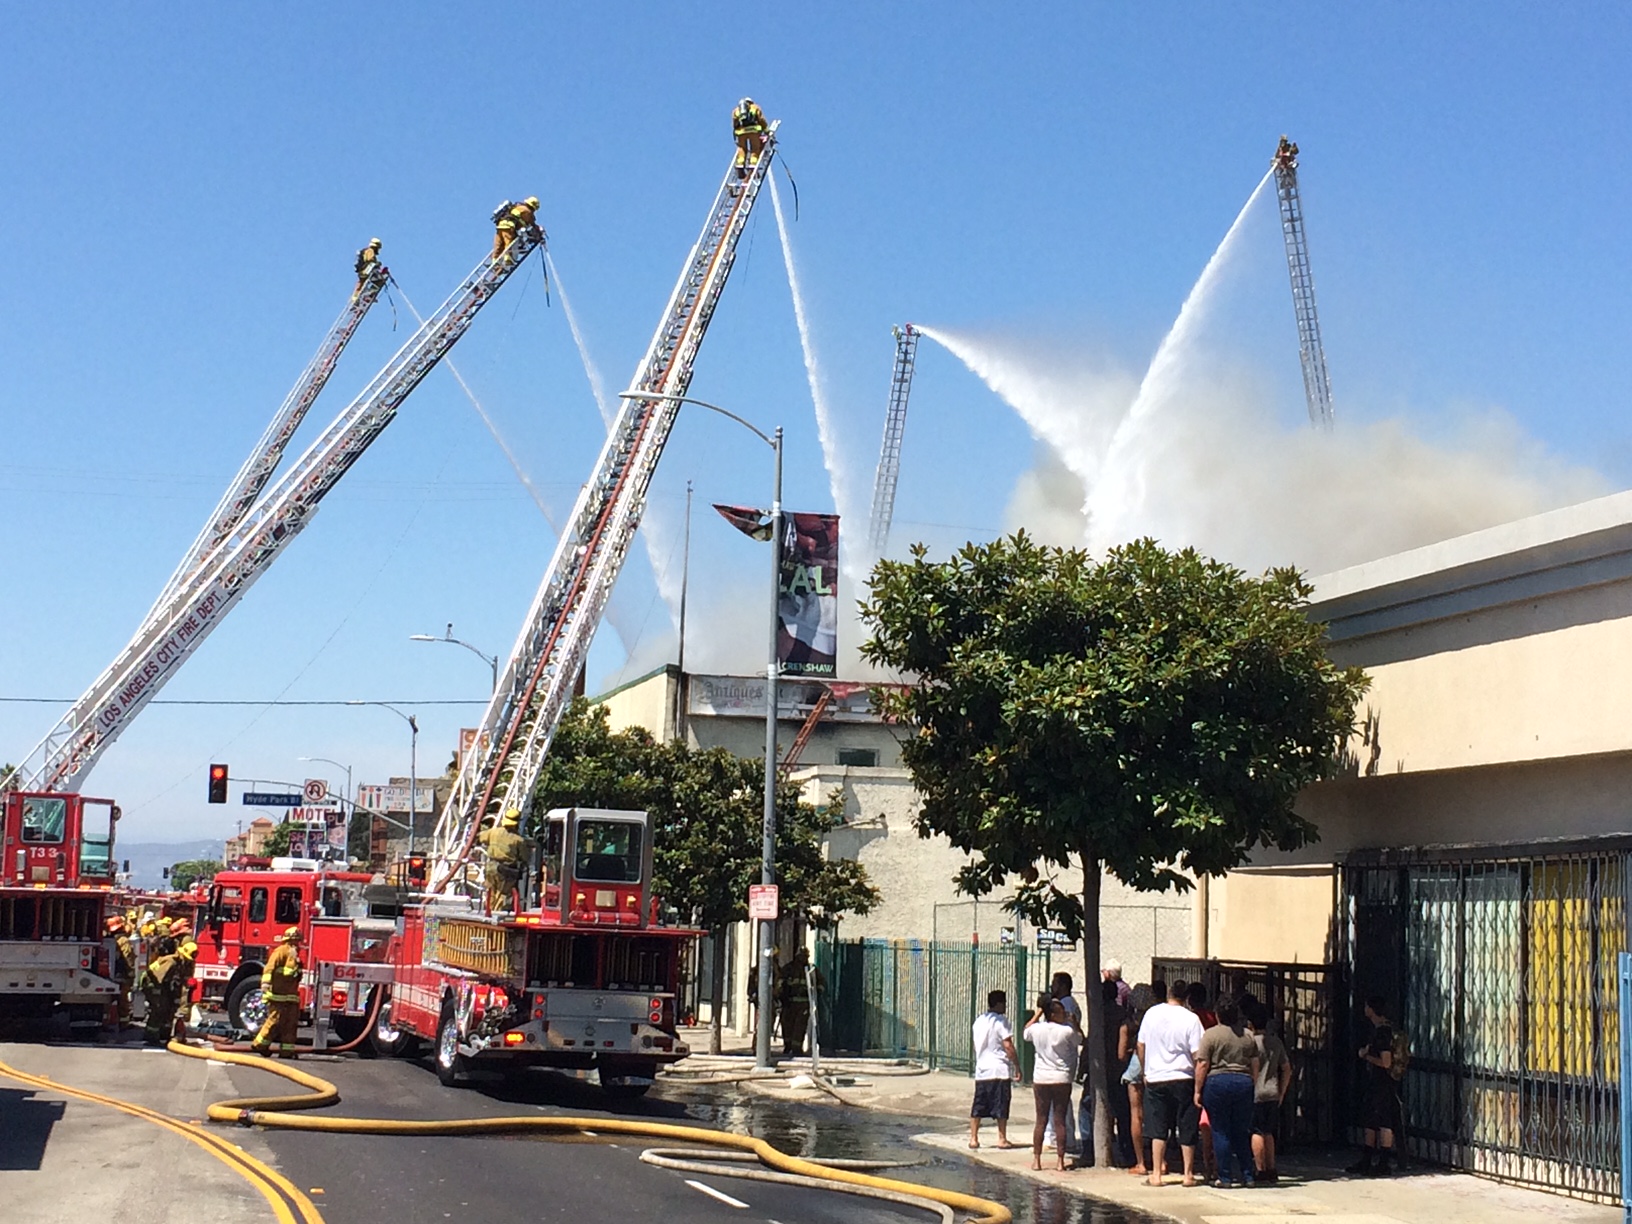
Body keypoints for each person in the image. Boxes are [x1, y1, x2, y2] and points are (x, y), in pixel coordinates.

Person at [1137, 980, 1205, 1186]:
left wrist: (1145, 1070)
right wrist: (1198, 1083)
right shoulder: (1192, 1019)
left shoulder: (1151, 1014)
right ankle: (1188, 1174)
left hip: (1156, 1076)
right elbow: (1197, 1054)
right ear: (1187, 998)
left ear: (1168, 993)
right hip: (1183, 1077)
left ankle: (1156, 1173)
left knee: (1158, 1127)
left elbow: (1141, 1045)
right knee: (1186, 1125)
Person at [1196, 995, 1260, 1189]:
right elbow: (1255, 1063)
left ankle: (1224, 1177)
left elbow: (1203, 1064)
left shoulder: (1211, 1035)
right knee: (1241, 1131)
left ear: (1217, 1015)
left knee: (1220, 1130)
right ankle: (1248, 1175)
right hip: (1243, 1081)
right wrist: (1252, 1083)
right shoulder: (1248, 1035)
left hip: (1217, 1081)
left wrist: (1198, 1090)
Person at [1348, 995, 1402, 1176]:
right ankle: (1368, 1159)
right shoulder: (1381, 1029)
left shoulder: (1382, 1033)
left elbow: (1386, 1062)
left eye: (1366, 1006)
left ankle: (1383, 1162)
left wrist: (1366, 1056)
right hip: (1378, 1082)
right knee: (1371, 1120)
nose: (1364, 1009)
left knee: (1383, 1120)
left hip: (1383, 1082)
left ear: (1372, 1009)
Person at [1024, 993, 1079, 1172]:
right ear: (1054, 1014)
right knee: (1059, 1120)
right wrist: (1074, 1022)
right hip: (1061, 1078)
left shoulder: (1037, 1029)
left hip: (1041, 1078)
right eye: (1061, 1012)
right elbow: (1079, 1039)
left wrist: (1038, 1013)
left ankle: (1036, 1160)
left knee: (1041, 1119)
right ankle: (1060, 1162)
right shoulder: (1066, 1031)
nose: (1064, 1014)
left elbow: (1026, 1031)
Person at [1244, 996, 1292, 1184]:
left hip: (1255, 1091)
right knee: (1269, 1131)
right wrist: (1281, 1092)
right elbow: (1287, 1068)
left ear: (1250, 1023)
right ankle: (1272, 1168)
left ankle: (1259, 1168)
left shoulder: (1249, 1043)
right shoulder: (1276, 1042)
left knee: (1256, 1131)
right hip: (1272, 1091)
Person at [969, 989, 1022, 1150]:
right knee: (1001, 1105)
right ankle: (1002, 1138)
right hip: (999, 1069)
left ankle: (973, 1138)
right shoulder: (1001, 1021)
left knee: (978, 1105)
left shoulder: (979, 1020)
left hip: (982, 1070)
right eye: (1004, 1003)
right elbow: (1008, 1045)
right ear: (999, 1004)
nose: (1005, 1006)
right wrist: (1017, 1066)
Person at [1042, 972, 1082, 1156]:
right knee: (1056, 1102)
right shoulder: (1069, 1003)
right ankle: (1054, 1137)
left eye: (1055, 984)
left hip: (1062, 1058)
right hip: (1061, 1058)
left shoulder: (1065, 1004)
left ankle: (1065, 1139)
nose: (1052, 987)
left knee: (1060, 1102)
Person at [1098, 977, 1134, 1166]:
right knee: (1123, 1113)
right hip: (1118, 1069)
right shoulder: (1122, 1015)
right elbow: (1122, 1049)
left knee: (1098, 1109)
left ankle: (1097, 1147)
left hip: (1101, 1067)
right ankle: (1126, 1152)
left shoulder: (1098, 1014)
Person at [253, 927, 304, 1058]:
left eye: (298, 942)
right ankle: (260, 1045)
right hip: (278, 995)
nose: (297, 944)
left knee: (290, 1024)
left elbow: (294, 974)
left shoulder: (295, 955)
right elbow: (269, 968)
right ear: (289, 940)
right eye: (295, 941)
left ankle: (286, 1051)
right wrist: (265, 984)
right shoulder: (280, 952)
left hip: (290, 997)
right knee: (274, 1022)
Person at [1122, 984, 1155, 1176]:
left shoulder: (1131, 1023)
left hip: (1136, 1063)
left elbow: (1124, 1051)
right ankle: (1162, 1160)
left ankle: (1141, 1162)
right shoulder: (1155, 1020)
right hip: (1156, 1064)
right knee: (1157, 1115)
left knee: (1136, 1114)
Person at [476, 808, 529, 913]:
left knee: (490, 892)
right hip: (506, 870)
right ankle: (497, 916)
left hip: (490, 867)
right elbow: (525, 857)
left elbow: (478, 838)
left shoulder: (493, 832)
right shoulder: (518, 840)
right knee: (503, 894)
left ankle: (488, 913)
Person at [776, 948, 823, 1056]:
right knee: (787, 1026)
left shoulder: (811, 969)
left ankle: (797, 1049)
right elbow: (779, 983)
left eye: (805, 956)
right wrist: (781, 995)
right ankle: (788, 1046)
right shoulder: (788, 969)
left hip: (804, 1004)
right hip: (789, 1003)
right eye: (801, 956)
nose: (803, 958)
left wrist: (816, 992)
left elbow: (821, 984)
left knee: (799, 1027)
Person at [106, 913, 136, 1026]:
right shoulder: (123, 940)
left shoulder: (113, 940)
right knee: (122, 999)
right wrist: (130, 972)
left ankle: (113, 1022)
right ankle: (123, 1023)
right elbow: (128, 957)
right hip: (121, 973)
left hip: (113, 972)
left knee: (113, 999)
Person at [732, 97, 768, 177]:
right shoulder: (755, 107)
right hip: (753, 131)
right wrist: (766, 130)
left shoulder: (736, 110)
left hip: (741, 133)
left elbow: (735, 122)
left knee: (742, 149)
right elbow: (761, 119)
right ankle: (753, 164)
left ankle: (740, 164)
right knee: (755, 149)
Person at [353, 237, 383, 301]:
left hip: (362, 271)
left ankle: (355, 297)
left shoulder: (365, 250)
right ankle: (370, 294)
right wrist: (378, 264)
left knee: (361, 283)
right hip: (366, 270)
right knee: (379, 280)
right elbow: (370, 259)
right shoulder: (370, 251)